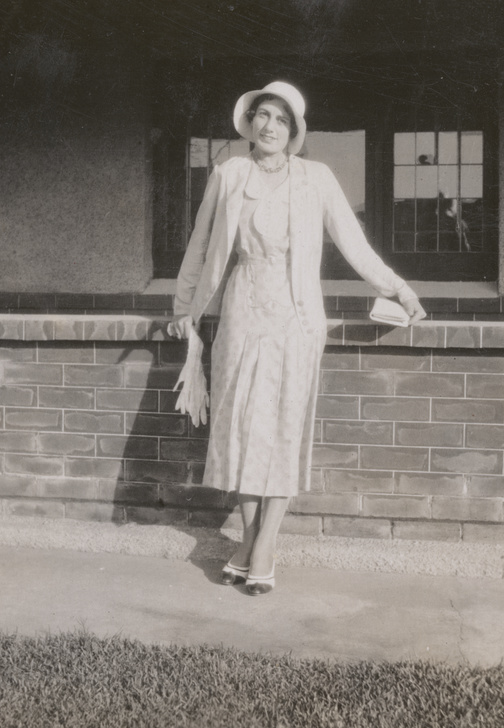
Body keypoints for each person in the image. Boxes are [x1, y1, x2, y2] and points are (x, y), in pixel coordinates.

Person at [168, 81, 426, 596]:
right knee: (241, 424)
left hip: (297, 319)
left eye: (282, 120)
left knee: (283, 426)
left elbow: (355, 243)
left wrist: (399, 289)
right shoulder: (229, 174)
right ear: (249, 124)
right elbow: (199, 247)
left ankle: (265, 545)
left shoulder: (317, 179)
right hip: (242, 312)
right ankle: (246, 540)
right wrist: (183, 309)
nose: (270, 126)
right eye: (263, 115)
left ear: (295, 132)